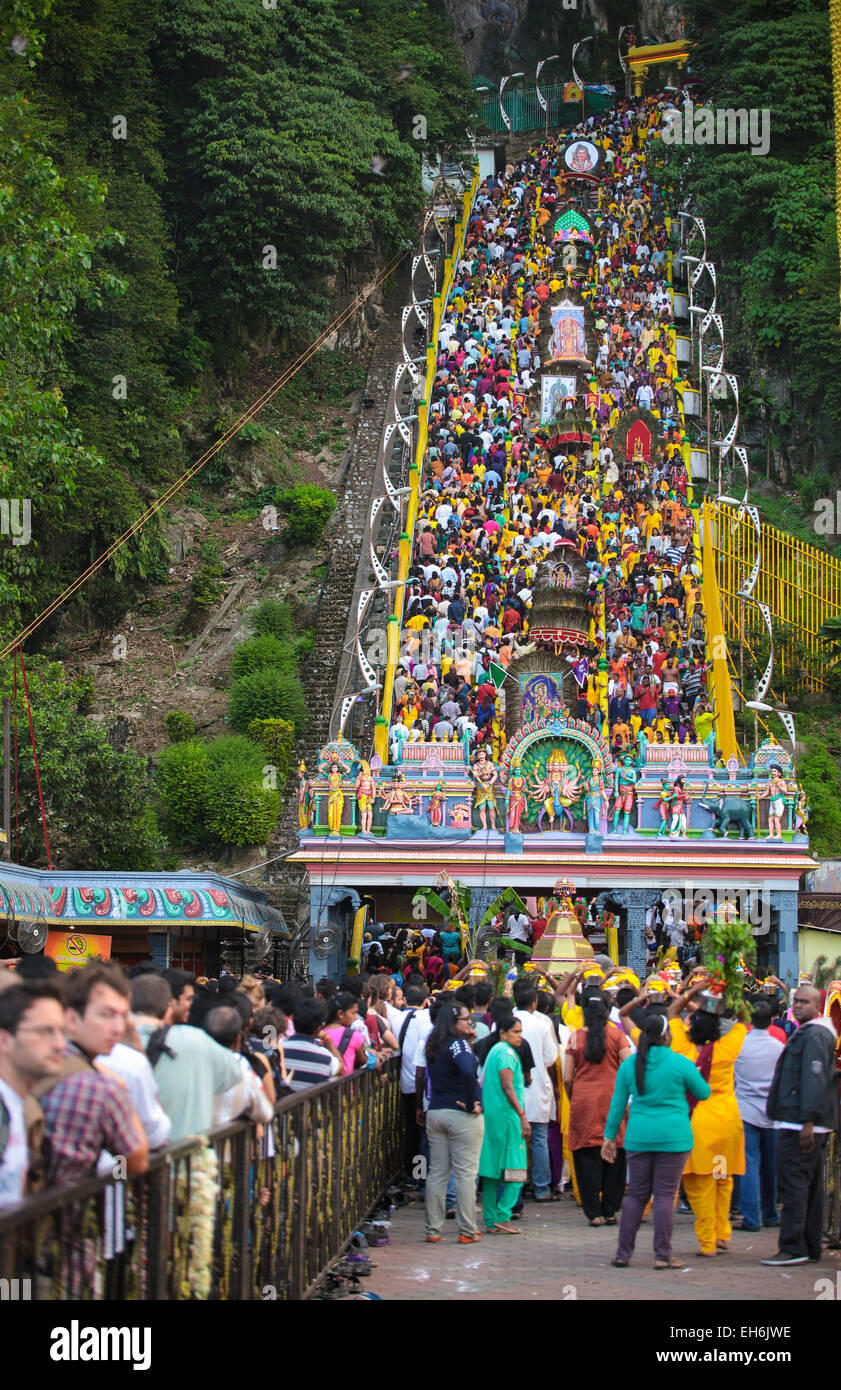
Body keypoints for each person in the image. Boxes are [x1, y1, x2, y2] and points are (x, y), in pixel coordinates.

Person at [602, 1010, 711, 1268]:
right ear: (666, 1036)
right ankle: (662, 1256)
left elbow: (617, 1104)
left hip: (639, 1136)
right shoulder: (680, 1063)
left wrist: (609, 1137)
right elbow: (704, 1092)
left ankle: (622, 1253)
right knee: (664, 1195)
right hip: (674, 1137)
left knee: (637, 1195)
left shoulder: (630, 1064)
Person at [35, 962, 149, 1186]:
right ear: (71, 1018)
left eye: (123, 1016)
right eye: (106, 1015)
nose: (118, 1028)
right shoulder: (101, 1087)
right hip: (65, 1213)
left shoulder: (34, 1063)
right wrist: (121, 1092)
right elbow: (136, 1160)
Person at [667, 982, 747, 1256]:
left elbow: (672, 1011)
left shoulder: (682, 1047)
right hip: (725, 1124)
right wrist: (727, 996)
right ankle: (722, 1233)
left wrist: (693, 990)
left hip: (696, 1127)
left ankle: (707, 1242)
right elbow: (743, 1019)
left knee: (700, 1186)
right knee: (722, 1179)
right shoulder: (726, 1048)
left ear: (692, 1026)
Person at [762, 983, 839, 1265]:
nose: (798, 1005)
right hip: (801, 1121)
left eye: (805, 1002)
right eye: (797, 1001)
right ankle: (809, 1245)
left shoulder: (815, 1035)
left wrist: (808, 1120)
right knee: (810, 1187)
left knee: (794, 1185)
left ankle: (793, 1247)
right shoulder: (809, 1032)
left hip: (801, 1124)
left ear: (817, 1006)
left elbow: (813, 1078)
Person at [130, 973, 249, 1142]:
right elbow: (234, 1074)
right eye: (188, 999)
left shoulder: (110, 1045)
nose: (191, 1005)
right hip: (186, 1156)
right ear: (171, 1002)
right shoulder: (195, 1039)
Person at [564, 991, 631, 1225]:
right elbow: (628, 1064)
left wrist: (574, 1098)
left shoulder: (574, 1038)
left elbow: (567, 1078)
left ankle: (593, 1213)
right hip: (613, 1100)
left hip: (583, 1101)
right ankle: (610, 1209)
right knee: (615, 1153)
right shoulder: (617, 1035)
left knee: (586, 1156)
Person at [0, 980, 66, 1207]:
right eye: (44, 1031)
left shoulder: (16, 1105)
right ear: (5, 1040)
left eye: (61, 1031)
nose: (59, 1044)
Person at [423, 1002, 484, 1245]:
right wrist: (471, 1103)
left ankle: (433, 1229)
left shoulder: (434, 1044)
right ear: (453, 1023)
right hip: (460, 1114)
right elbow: (468, 1072)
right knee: (465, 1174)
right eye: (465, 1020)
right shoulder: (458, 1044)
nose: (470, 1023)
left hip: (436, 1111)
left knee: (437, 1173)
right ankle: (468, 1229)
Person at [732, 998, 784, 1232]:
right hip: (772, 1113)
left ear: (751, 1020)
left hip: (745, 1110)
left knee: (749, 1164)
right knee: (770, 1166)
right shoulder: (779, 1048)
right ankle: (770, 1214)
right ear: (771, 1020)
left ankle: (751, 1217)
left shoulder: (739, 1046)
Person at [477, 1014, 529, 1234]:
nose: (519, 1036)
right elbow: (509, 1088)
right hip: (508, 1118)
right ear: (502, 1032)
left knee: (492, 1170)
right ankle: (502, 1214)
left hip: (493, 1118)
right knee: (516, 1169)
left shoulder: (494, 1052)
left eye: (520, 1032)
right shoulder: (506, 1053)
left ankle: (491, 1218)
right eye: (515, 1032)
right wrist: (522, 1116)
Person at [512, 978, 560, 1202]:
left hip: (512, 1090)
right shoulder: (542, 1023)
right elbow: (551, 1058)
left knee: (515, 1142)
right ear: (534, 1003)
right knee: (539, 1138)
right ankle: (541, 1188)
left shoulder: (504, 1021)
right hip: (538, 1086)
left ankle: (515, 1189)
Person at [399, 984, 433, 1184]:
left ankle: (414, 1174)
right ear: (425, 1001)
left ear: (405, 1000)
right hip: (426, 1087)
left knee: (412, 1131)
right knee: (424, 1135)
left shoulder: (398, 1018)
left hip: (406, 1085)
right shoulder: (430, 1020)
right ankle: (422, 1175)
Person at [283, 997, 343, 1090]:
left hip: (284, 1104)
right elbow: (341, 1068)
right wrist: (327, 1039)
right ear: (319, 1029)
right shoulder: (325, 1057)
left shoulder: (278, 1051)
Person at [323, 993, 369, 1075]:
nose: (356, 1017)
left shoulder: (320, 1033)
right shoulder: (354, 1036)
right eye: (353, 1013)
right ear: (340, 1014)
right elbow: (363, 1060)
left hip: (323, 1085)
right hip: (346, 1085)